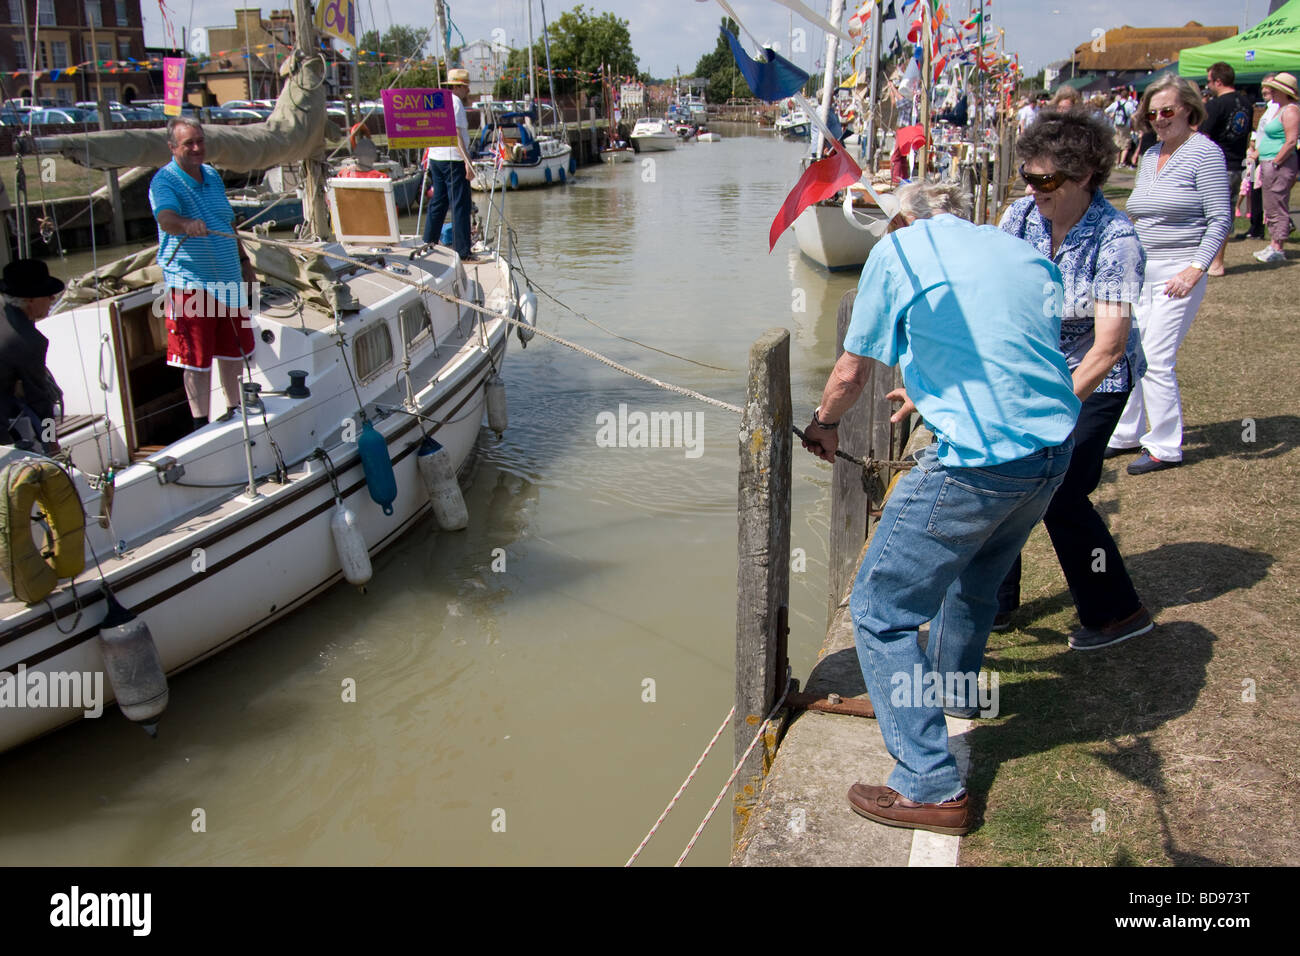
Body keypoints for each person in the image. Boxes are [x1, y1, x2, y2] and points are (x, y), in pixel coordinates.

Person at [801, 182, 1078, 835]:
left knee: (879, 608)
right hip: (1051, 453)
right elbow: (1010, 349)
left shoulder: (898, 255)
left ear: (901, 221)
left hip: (979, 463)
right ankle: (943, 696)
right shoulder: (1019, 252)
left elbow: (849, 374)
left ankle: (930, 783)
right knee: (974, 582)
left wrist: (822, 424)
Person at [995, 110, 1151, 652]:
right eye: (1028, 178)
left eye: (1045, 180)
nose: (1033, 190)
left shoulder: (1117, 239)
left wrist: (1052, 408)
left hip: (1096, 380)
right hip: (1034, 368)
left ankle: (1117, 614)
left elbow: (1107, 348)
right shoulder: (1020, 217)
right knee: (1002, 470)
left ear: (1084, 175)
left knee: (1061, 488)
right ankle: (995, 603)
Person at [1107, 76, 1231, 473]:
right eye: (1152, 112)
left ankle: (1164, 445)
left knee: (1157, 357)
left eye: (1167, 111)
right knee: (1130, 351)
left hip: (1179, 270)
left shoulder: (1205, 154)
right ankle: (1125, 433)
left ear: (1189, 110)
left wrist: (1196, 268)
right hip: (1142, 269)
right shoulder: (1149, 153)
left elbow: (1219, 218)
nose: (1159, 119)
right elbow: (1143, 210)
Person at [150, 116, 257, 433]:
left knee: (235, 350)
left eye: (200, 141)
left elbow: (226, 222)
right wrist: (185, 224)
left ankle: (236, 410)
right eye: (189, 143)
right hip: (191, 284)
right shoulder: (164, 181)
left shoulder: (211, 175)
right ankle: (200, 423)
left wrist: (245, 263)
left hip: (229, 280)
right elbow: (165, 217)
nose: (197, 148)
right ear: (173, 148)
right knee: (194, 359)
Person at [0, 259, 64, 454]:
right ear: (29, 300)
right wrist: (51, 444)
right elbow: (41, 403)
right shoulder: (30, 342)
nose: (53, 299)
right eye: (47, 295)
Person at [1202, 63, 1255, 274]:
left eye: (1209, 81)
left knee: (1209, 215)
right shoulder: (1247, 104)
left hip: (1216, 166)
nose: (1208, 85)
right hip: (1236, 164)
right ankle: (1218, 262)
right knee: (1225, 216)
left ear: (1218, 81)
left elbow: (1203, 138)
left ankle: (1209, 261)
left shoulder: (1215, 105)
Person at [421, 68, 478, 258]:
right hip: (453, 158)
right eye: (465, 87)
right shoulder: (455, 103)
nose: (467, 91)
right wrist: (467, 162)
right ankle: (463, 251)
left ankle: (428, 242)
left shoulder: (436, 101)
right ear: (458, 87)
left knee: (439, 201)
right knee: (460, 205)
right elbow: (456, 134)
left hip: (436, 157)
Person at [1253, 72, 1299, 263]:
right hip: (1270, 161)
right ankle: (1274, 242)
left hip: (1279, 164)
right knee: (1270, 205)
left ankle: (1278, 246)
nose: (1270, 91)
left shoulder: (1290, 111)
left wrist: (1276, 161)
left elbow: (1290, 141)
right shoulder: (1279, 109)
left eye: (1273, 89)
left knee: (1277, 204)